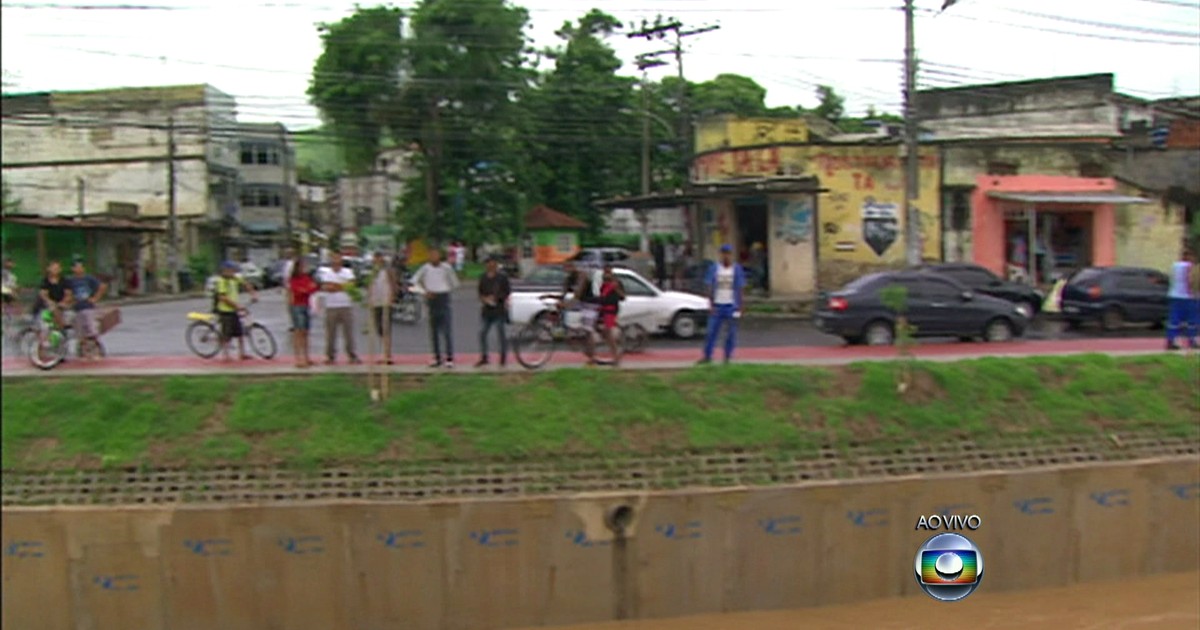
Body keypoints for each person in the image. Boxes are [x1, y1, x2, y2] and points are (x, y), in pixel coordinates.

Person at [412, 247, 460, 368]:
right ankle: (437, 357)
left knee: (446, 329)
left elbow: (454, 283)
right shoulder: (425, 268)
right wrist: (424, 291)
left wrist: (445, 289)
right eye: (431, 255)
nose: (433, 257)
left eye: (435, 254)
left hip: (443, 297)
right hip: (431, 297)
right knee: (433, 330)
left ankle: (449, 357)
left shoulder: (446, 268)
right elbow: (414, 281)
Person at [699, 244, 745, 365]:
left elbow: (740, 288)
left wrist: (740, 306)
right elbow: (709, 286)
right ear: (720, 255)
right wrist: (710, 304)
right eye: (723, 253)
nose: (725, 256)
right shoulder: (714, 269)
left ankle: (727, 357)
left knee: (731, 333)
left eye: (728, 253)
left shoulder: (736, 269)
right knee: (711, 332)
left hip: (731, 305)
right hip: (717, 305)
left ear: (731, 255)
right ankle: (707, 356)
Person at [318, 252, 360, 365]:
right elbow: (326, 287)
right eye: (334, 259)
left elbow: (351, 286)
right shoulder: (327, 273)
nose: (336, 262)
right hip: (331, 306)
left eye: (338, 259)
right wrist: (342, 285)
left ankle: (352, 355)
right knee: (330, 333)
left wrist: (336, 286)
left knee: (348, 333)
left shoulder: (348, 272)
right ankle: (330, 356)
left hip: (345, 305)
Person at [212, 261, 258, 361]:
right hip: (225, 310)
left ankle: (242, 353)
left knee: (239, 332)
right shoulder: (221, 281)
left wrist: (253, 294)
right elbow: (222, 297)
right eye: (230, 271)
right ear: (225, 271)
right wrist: (236, 305)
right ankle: (226, 355)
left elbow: (246, 284)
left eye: (233, 270)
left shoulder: (234, 279)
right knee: (227, 333)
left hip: (234, 309)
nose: (232, 272)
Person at [64, 258, 108, 359]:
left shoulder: (89, 279)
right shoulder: (70, 280)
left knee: (91, 329)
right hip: (77, 308)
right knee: (80, 331)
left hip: (88, 307)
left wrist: (95, 298)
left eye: (80, 267)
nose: (79, 269)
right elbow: (68, 293)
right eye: (76, 267)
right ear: (73, 269)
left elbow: (102, 286)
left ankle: (96, 349)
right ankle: (82, 350)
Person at [476, 256, 512, 368]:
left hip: (499, 309)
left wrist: (497, 298)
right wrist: (484, 299)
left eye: (493, 263)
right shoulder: (483, 277)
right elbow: (480, 292)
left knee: (501, 333)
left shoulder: (502, 277)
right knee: (482, 333)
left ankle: (503, 357)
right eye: (488, 263)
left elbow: (507, 291)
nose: (491, 266)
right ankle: (484, 357)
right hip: (487, 310)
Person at [367, 251, 399, 365]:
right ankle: (383, 352)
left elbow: (393, 284)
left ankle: (387, 354)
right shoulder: (373, 272)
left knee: (386, 328)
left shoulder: (388, 271)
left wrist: (392, 297)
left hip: (386, 301)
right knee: (379, 328)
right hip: (376, 302)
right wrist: (369, 298)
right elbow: (370, 285)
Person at [288, 256, 318, 368]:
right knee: (298, 332)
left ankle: (306, 356)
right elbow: (297, 291)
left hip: (306, 305)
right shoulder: (293, 279)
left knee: (305, 332)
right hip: (297, 306)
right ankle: (298, 358)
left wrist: (306, 289)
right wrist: (306, 289)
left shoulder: (307, 277)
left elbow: (313, 288)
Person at [1166, 248, 1199, 351]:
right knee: (1192, 321)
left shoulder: (1174, 266)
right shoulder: (1191, 267)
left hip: (1175, 296)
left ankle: (1171, 341)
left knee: (1174, 320)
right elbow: (1192, 281)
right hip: (1189, 297)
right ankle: (1192, 341)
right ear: (1189, 257)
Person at [595, 264, 625, 367]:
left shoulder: (616, 283)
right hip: (603, 309)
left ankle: (616, 356)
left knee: (608, 331)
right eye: (605, 272)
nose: (606, 274)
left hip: (611, 309)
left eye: (608, 272)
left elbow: (623, 296)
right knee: (600, 329)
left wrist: (616, 289)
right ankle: (614, 346)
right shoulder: (602, 283)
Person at [37, 260, 69, 331]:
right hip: (47, 305)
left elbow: (68, 294)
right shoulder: (45, 281)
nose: (55, 270)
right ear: (49, 269)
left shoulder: (64, 280)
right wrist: (50, 301)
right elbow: (43, 295)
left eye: (57, 268)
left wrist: (63, 301)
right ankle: (61, 328)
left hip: (60, 303)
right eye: (53, 268)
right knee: (54, 308)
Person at [1, 256, 17, 320]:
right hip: (4, 289)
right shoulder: (4, 272)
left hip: (7, 290)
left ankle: (9, 316)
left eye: (12, 263)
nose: (12, 264)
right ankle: (8, 315)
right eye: (10, 263)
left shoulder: (10, 273)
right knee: (8, 302)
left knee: (9, 302)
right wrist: (11, 291)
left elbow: (10, 283)